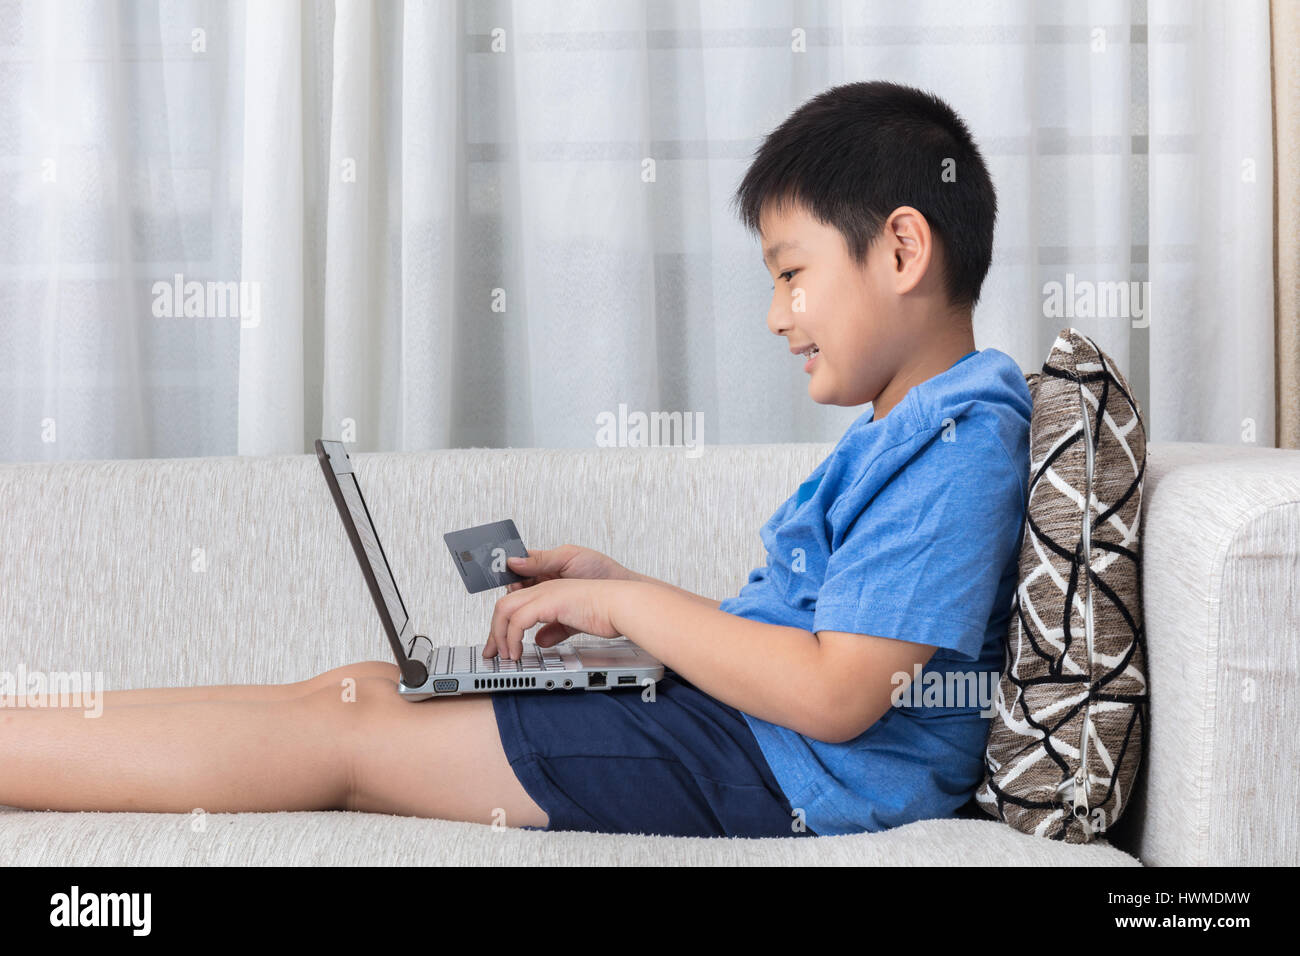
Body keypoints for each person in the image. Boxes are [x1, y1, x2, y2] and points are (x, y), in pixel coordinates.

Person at [1, 80, 1029, 839]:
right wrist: (623, 590)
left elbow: (835, 695)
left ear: (900, 250)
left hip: (785, 772)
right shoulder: (915, 426)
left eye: (791, 274)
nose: (775, 316)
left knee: (351, 727)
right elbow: (799, 646)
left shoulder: (960, 438)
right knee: (358, 684)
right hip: (748, 735)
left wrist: (629, 614)